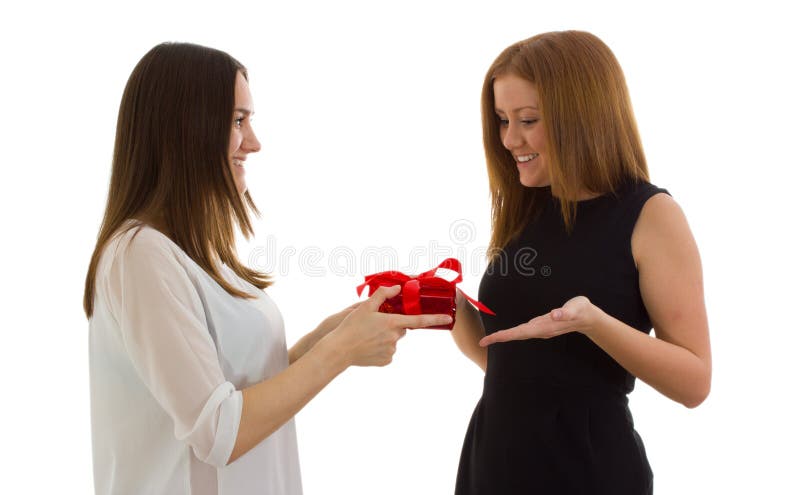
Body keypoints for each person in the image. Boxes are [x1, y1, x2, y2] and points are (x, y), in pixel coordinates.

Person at [82, 42, 452, 495]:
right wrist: (338, 353)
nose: (254, 142)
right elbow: (220, 431)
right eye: (238, 121)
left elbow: (235, 392)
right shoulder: (140, 255)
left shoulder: (193, 252)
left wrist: (331, 337)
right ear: (187, 127)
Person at [449, 31, 711, 494]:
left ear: (582, 116)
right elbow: (506, 362)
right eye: (502, 119)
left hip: (587, 472)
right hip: (491, 467)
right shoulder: (527, 206)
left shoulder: (651, 215)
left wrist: (592, 322)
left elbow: (695, 383)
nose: (510, 139)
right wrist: (447, 307)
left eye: (527, 119)